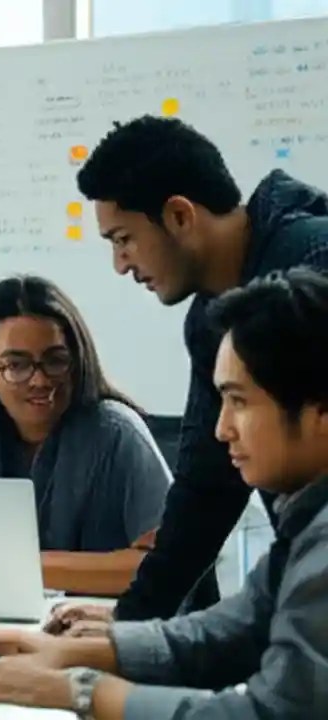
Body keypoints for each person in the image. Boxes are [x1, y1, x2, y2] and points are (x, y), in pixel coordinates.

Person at [0, 267, 328, 719]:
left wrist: (81, 691)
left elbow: (266, 716)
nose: (221, 428)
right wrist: (72, 653)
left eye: (239, 401)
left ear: (320, 413)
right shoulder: (306, 523)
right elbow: (226, 635)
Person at [46, 115, 328, 631]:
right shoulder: (209, 320)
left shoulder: (316, 263)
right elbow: (205, 488)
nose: (120, 263)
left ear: (178, 215)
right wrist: (131, 618)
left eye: (123, 238)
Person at [0, 275, 170, 595]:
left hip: (92, 633)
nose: (39, 380)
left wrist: (15, 567)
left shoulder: (117, 434)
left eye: (55, 361)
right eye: (17, 365)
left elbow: (165, 565)